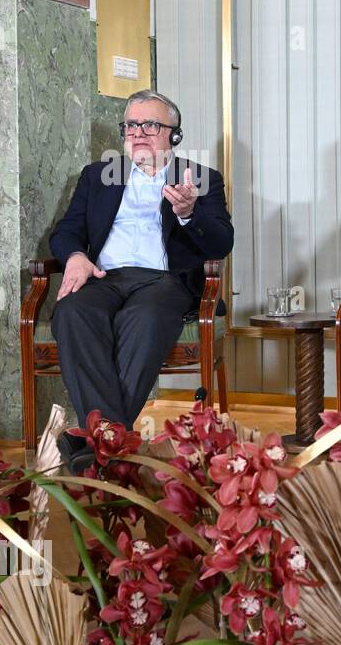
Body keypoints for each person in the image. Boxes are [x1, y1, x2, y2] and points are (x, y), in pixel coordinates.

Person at [50, 89, 233, 468]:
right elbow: (65, 231)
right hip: (104, 277)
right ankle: (110, 447)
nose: (137, 133)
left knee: (145, 317)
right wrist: (77, 256)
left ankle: (92, 442)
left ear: (174, 134)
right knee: (70, 311)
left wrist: (188, 213)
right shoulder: (97, 176)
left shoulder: (201, 178)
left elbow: (221, 243)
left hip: (163, 281)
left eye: (150, 124)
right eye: (131, 125)